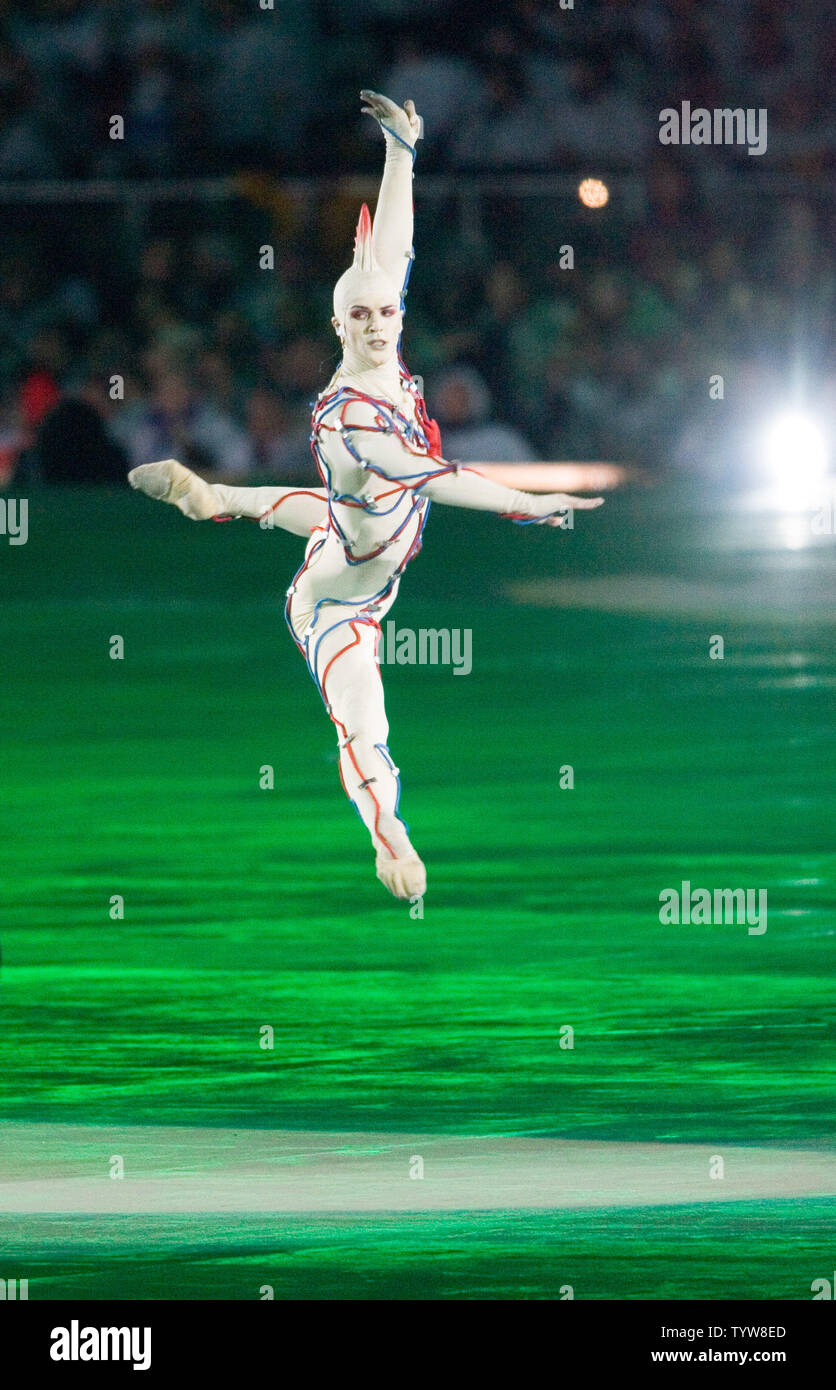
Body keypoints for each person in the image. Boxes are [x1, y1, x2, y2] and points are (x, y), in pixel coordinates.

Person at [129, 91, 604, 901]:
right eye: (363, 314)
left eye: (388, 310)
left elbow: (396, 247)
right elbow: (434, 477)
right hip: (337, 604)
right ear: (338, 324)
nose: (381, 321)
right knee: (368, 727)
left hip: (364, 535)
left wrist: (399, 152)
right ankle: (391, 843)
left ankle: (211, 499)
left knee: (327, 515)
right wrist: (532, 503)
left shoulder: (387, 347)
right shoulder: (349, 417)